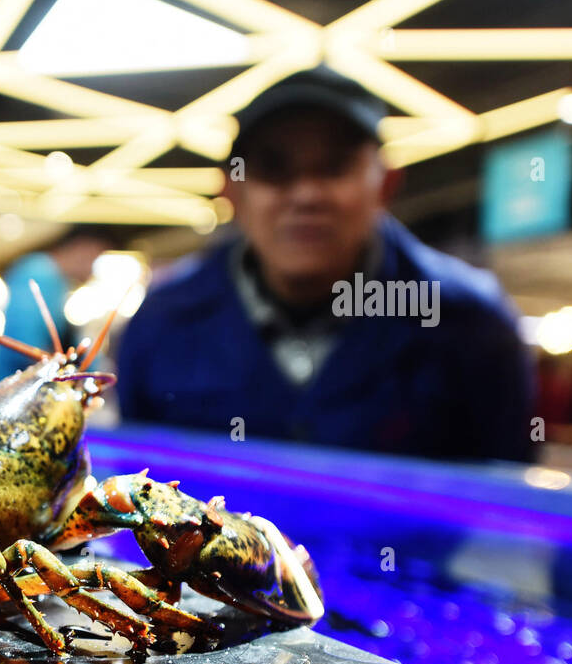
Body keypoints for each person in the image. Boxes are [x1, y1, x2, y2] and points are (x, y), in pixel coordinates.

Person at [117, 68, 535, 462]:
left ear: (386, 183)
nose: (306, 195)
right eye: (274, 168)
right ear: (231, 190)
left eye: (335, 167)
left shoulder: (471, 323)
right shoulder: (159, 323)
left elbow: (513, 510)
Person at [0, 225, 112, 385]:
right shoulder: (40, 274)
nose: (92, 271)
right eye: (94, 260)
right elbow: (24, 341)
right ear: (81, 248)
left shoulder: (54, 278)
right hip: (18, 388)